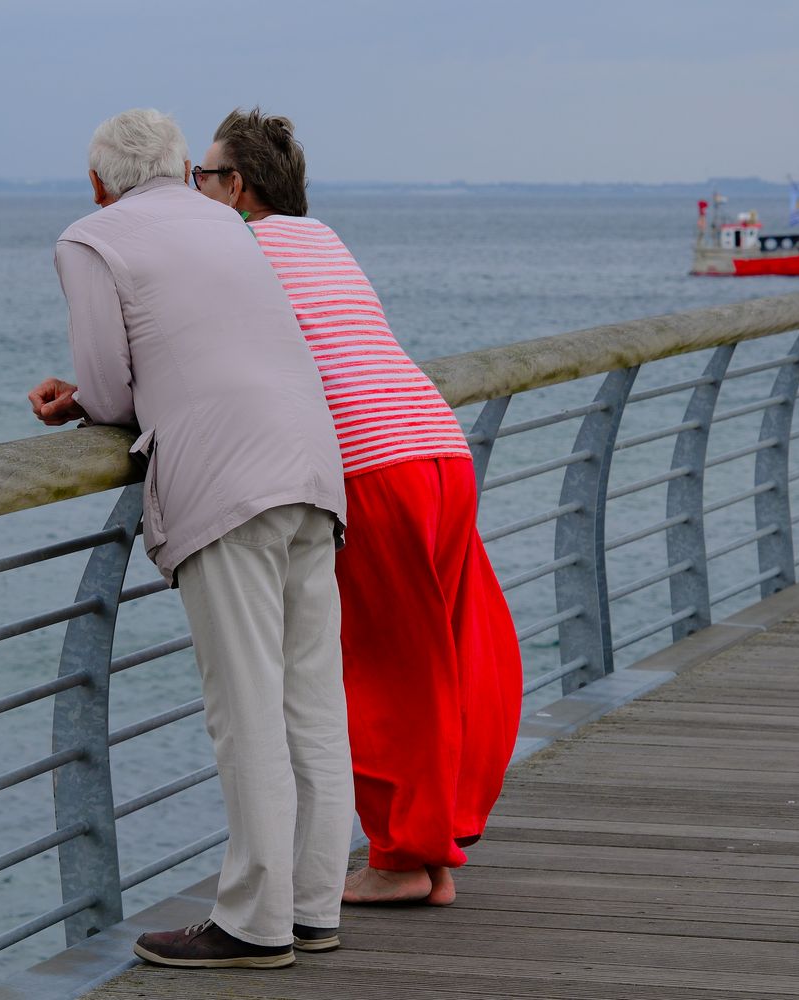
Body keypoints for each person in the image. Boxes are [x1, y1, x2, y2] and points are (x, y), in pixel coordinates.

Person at [28, 109, 353, 969]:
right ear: (181, 172)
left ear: (99, 183)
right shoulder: (228, 223)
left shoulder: (90, 239)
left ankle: (253, 922)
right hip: (312, 464)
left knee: (244, 708)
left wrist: (81, 402)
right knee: (313, 703)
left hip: (227, 480)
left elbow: (106, 379)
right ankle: (314, 905)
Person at [194, 108, 523, 905]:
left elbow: (193, 359)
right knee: (448, 643)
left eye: (201, 178)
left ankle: (404, 860)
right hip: (438, 448)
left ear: (236, 187)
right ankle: (436, 848)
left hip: (374, 467)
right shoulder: (322, 238)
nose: (193, 192)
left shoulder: (236, 248)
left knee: (379, 666)